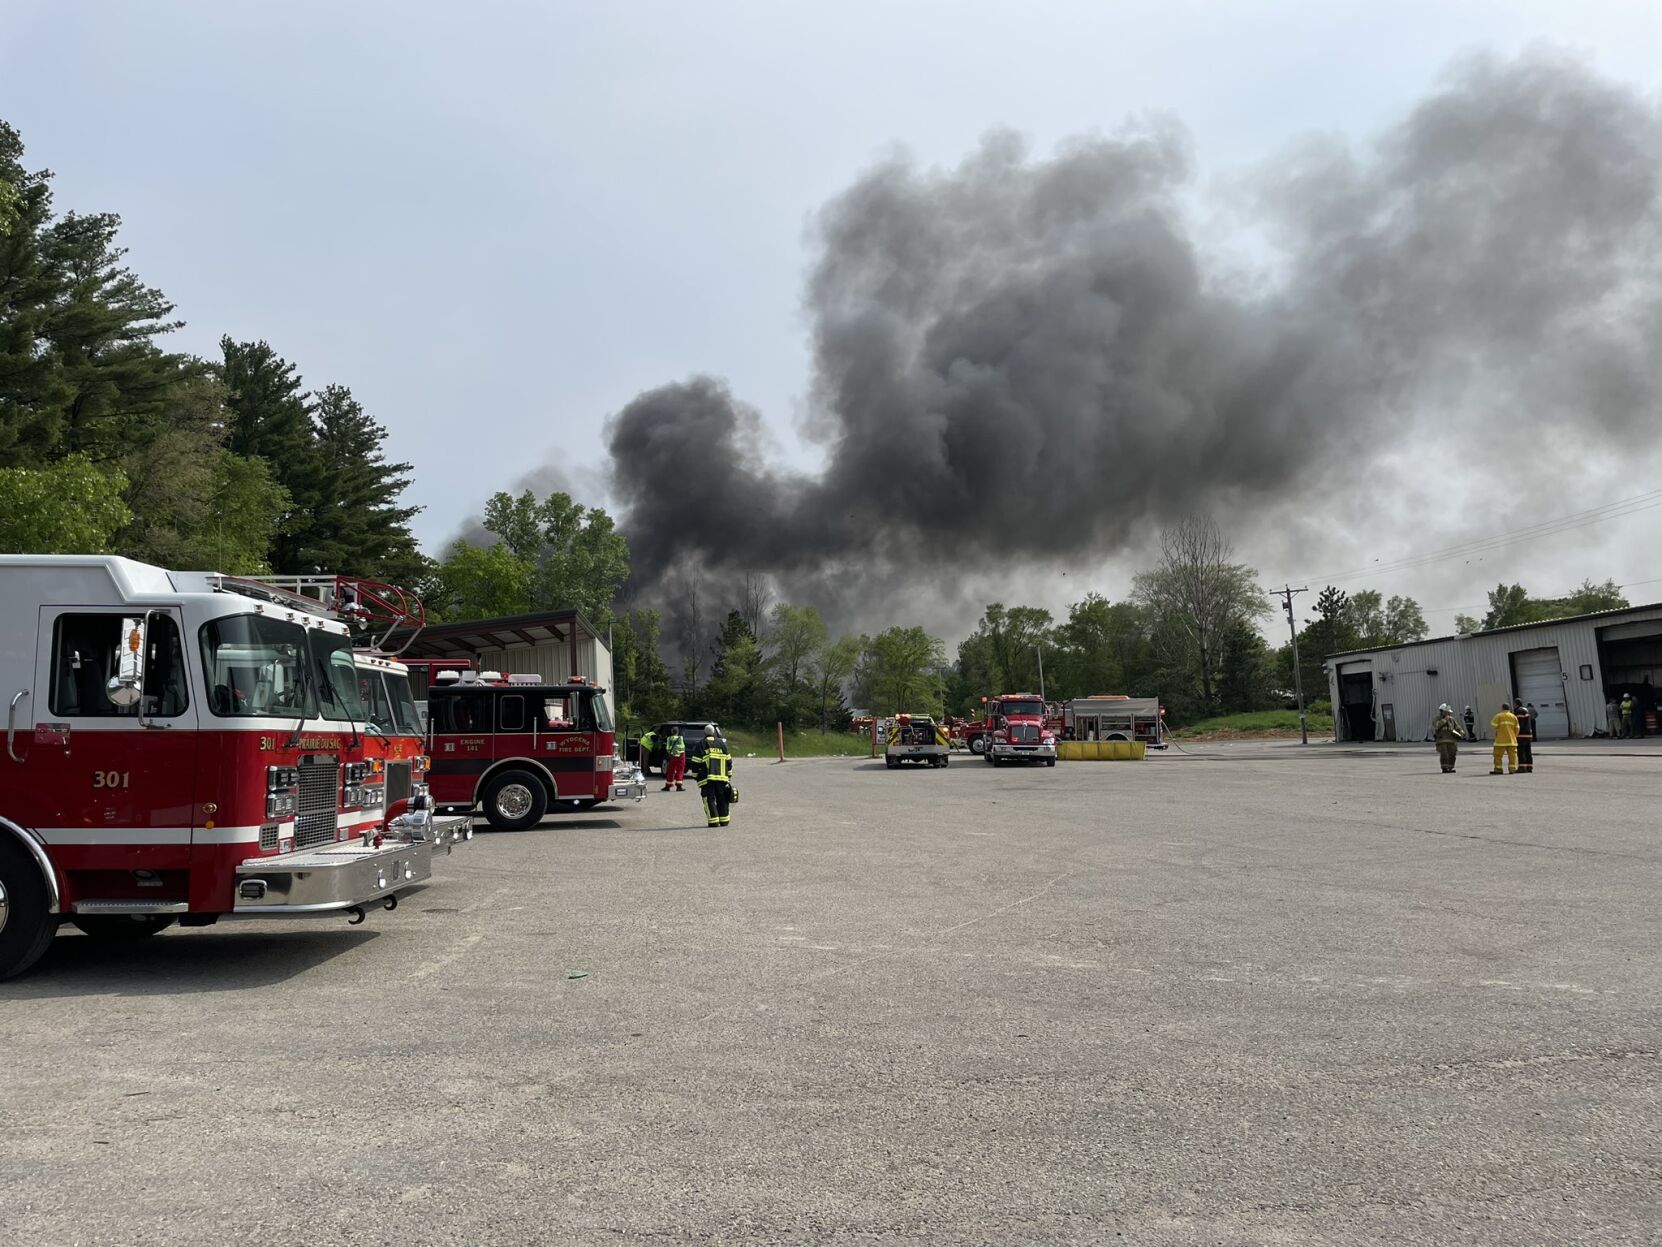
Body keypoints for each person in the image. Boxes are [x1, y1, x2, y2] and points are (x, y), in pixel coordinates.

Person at [689, 723, 735, 826]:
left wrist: (695, 775)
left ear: (704, 733)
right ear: (714, 732)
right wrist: (729, 775)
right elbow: (729, 761)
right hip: (722, 778)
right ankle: (724, 820)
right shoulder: (722, 743)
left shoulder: (701, 744)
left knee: (709, 799)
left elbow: (695, 762)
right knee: (722, 798)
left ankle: (713, 822)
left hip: (707, 779)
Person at [1431, 704, 1464, 773]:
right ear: (1442, 711)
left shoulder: (1452, 719)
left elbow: (1457, 727)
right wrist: (1444, 720)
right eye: (1447, 712)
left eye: (1449, 712)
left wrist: (1461, 732)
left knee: (1452, 754)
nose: (1448, 713)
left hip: (1451, 740)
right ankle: (1444, 768)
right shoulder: (1437, 719)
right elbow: (1436, 726)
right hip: (1442, 740)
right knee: (1444, 754)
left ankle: (1450, 767)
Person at [1490, 702, 1519, 775]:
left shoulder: (1499, 716)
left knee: (1498, 755)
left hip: (1501, 741)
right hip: (1512, 740)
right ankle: (1512, 769)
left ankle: (1498, 769)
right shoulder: (1513, 717)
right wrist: (1514, 736)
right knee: (1512, 756)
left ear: (1502, 708)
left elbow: (1493, 725)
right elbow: (1517, 728)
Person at [662, 726, 687, 792]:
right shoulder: (680, 738)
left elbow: (667, 748)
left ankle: (668, 785)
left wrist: (671, 753)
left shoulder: (669, 738)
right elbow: (683, 747)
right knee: (680, 770)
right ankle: (679, 786)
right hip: (681, 755)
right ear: (678, 732)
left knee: (671, 770)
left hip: (672, 755)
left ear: (672, 731)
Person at [1515, 702, 1535, 773]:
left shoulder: (1519, 711)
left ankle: (1522, 767)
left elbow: (1520, 724)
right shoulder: (1526, 710)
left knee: (1521, 751)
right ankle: (1529, 767)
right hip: (1528, 734)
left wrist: (1516, 732)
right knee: (1528, 751)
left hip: (1521, 735)